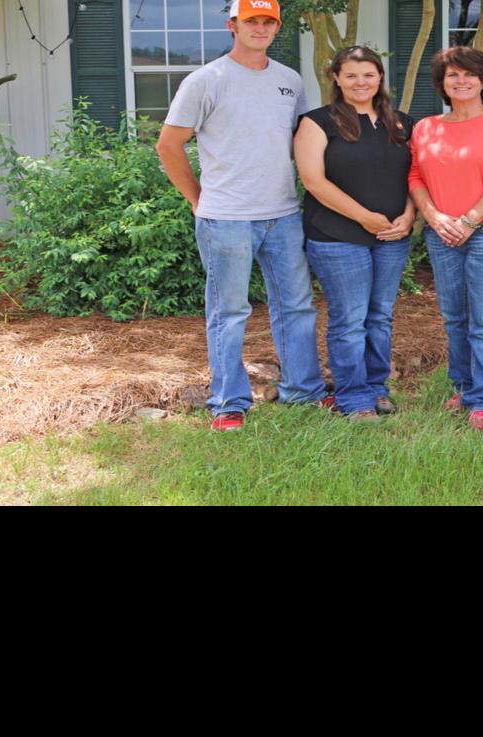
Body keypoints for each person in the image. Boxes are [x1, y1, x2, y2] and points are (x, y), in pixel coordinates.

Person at [157, 0, 326, 433]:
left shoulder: (289, 80)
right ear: (233, 25)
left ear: (277, 28)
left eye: (269, 21)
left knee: (297, 307)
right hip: (227, 218)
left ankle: (304, 391)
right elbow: (168, 146)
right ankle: (229, 402)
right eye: (252, 21)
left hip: (284, 214)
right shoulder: (205, 80)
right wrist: (198, 200)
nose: (261, 28)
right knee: (229, 311)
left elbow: (300, 142)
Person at [407, 47, 483, 431]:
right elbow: (415, 178)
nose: (460, 81)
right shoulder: (425, 128)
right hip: (443, 230)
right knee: (454, 316)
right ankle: (463, 386)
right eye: (452, 75)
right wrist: (435, 217)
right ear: (442, 84)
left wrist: (469, 220)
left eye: (469, 75)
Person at [294, 46, 416, 422]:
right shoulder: (317, 122)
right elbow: (313, 181)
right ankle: (353, 397)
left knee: (380, 316)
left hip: (392, 236)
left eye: (368, 74)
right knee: (349, 319)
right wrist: (364, 217)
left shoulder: (401, 123)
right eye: (351, 75)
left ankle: (377, 389)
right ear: (336, 79)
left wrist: (410, 216)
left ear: (380, 77)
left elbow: (416, 177)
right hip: (336, 236)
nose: (360, 82)